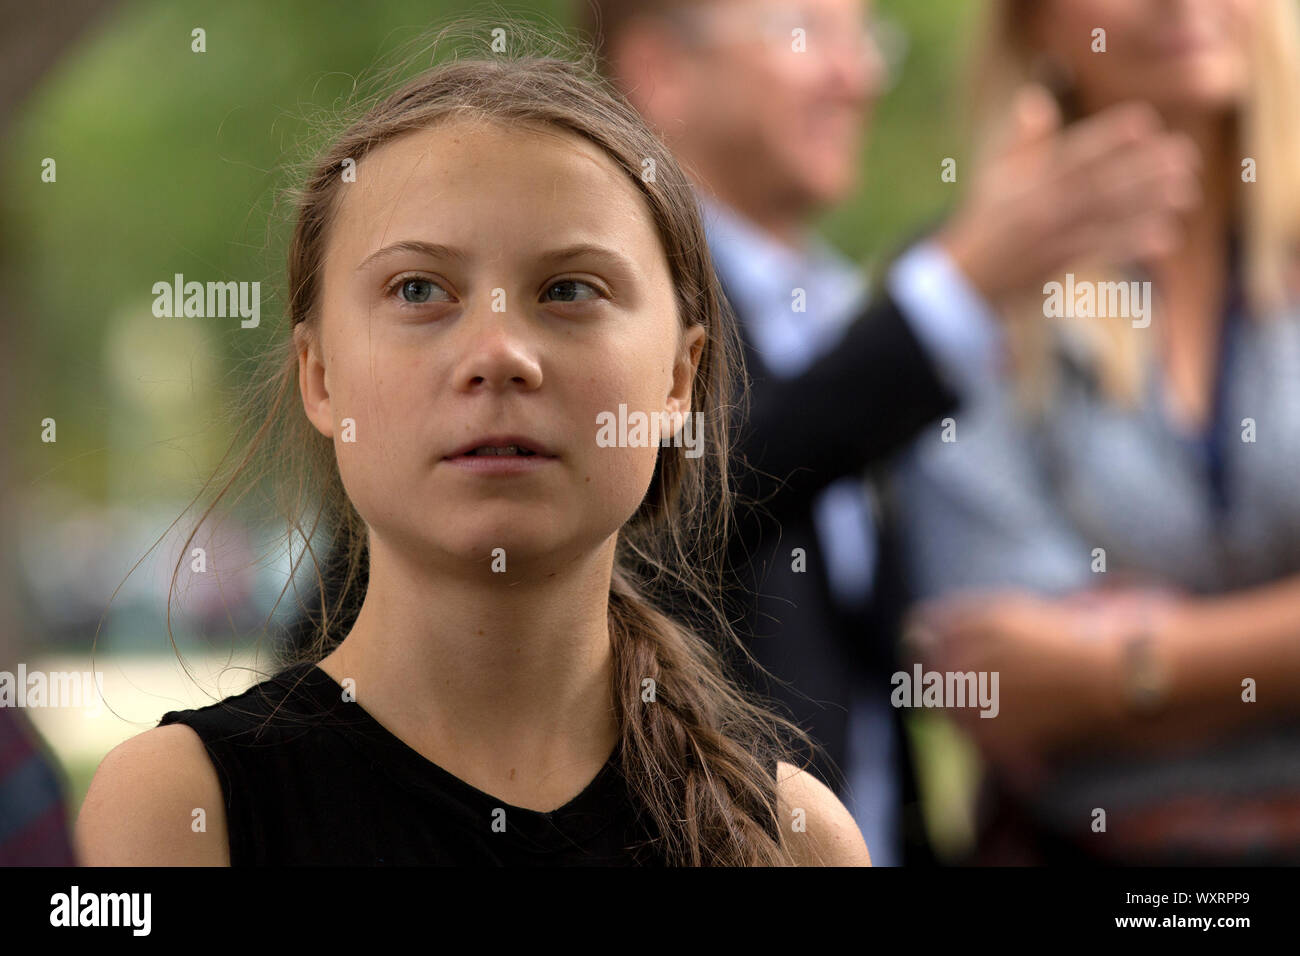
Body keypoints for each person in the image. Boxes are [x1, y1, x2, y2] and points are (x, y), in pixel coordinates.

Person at [73, 25, 871, 867]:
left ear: (680, 378)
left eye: (570, 290)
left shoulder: (796, 839)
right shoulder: (179, 810)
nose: (498, 354)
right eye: (418, 290)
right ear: (320, 377)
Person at [575, 0, 1200, 863]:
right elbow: (663, 512)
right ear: (663, 71)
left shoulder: (834, 311)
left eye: (862, 37)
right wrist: (952, 292)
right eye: (808, 34)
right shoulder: (586, 298)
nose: (858, 74)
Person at [891, 0, 1300, 864]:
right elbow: (999, 678)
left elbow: (1063, 674)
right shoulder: (966, 291)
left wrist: (1124, 671)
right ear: (1030, 22)